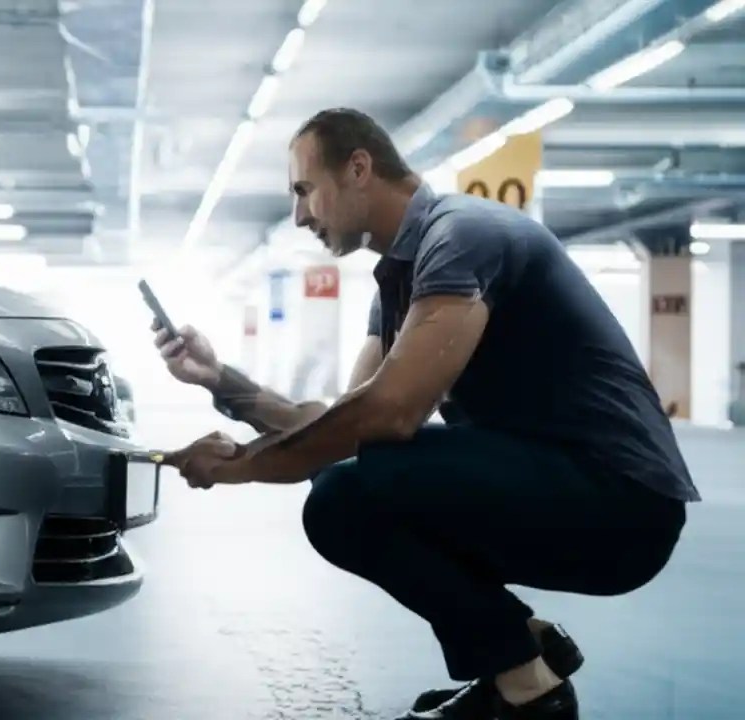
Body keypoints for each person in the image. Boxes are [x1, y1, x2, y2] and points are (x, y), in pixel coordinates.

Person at [152, 107, 698, 720]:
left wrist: (240, 466)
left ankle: (527, 689)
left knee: (347, 493)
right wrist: (220, 379)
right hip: (560, 487)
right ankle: (518, 658)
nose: (299, 214)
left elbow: (386, 414)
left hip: (621, 504)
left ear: (358, 168)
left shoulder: (463, 236)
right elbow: (340, 422)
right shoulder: (404, 277)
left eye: (304, 190)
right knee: (342, 488)